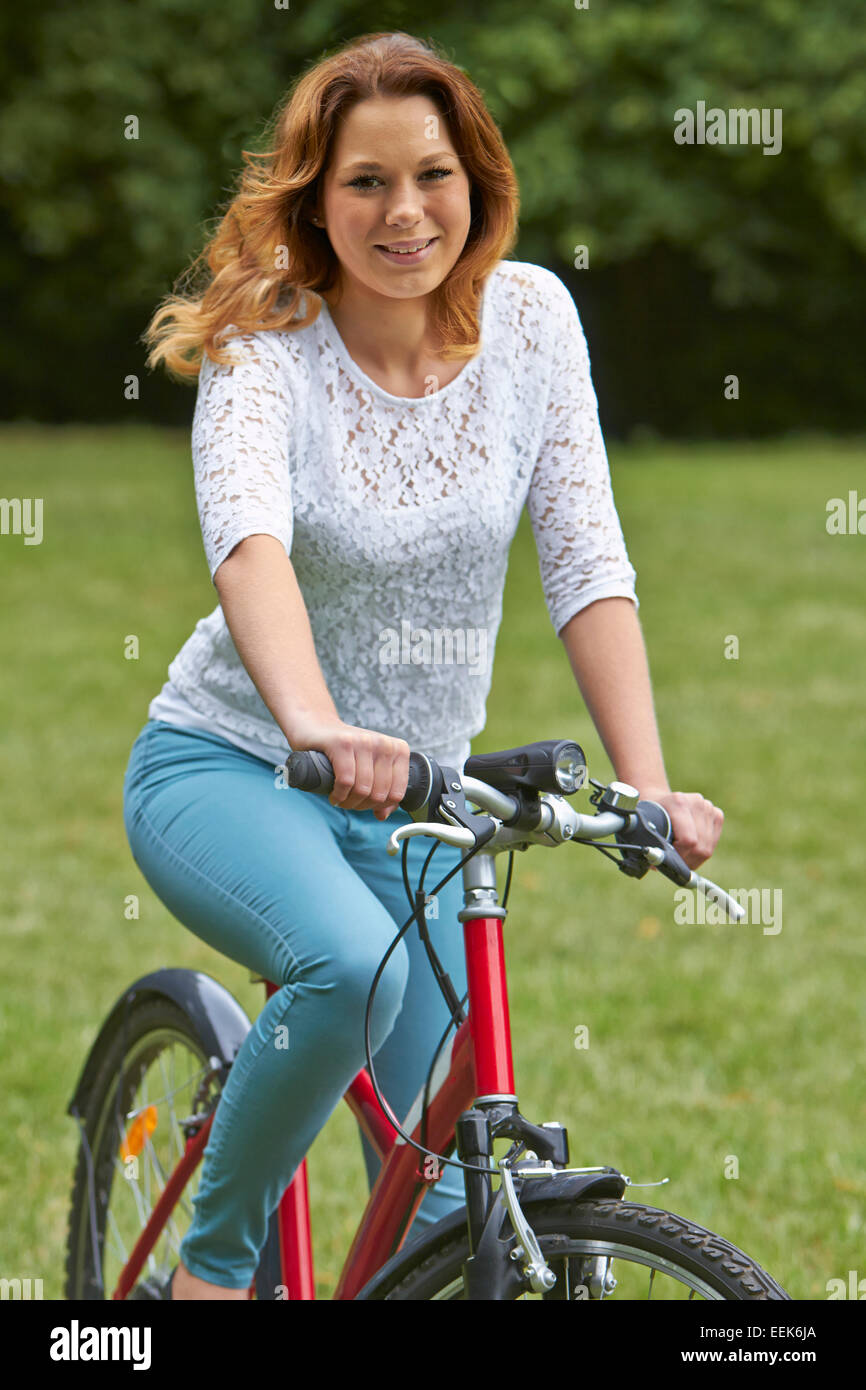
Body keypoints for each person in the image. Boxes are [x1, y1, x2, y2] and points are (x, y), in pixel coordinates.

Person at [126, 30, 724, 1300]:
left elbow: (587, 560)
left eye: (433, 175)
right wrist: (315, 725)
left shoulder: (531, 321)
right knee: (345, 966)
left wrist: (648, 782)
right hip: (232, 764)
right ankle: (214, 1276)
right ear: (314, 198)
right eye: (364, 183)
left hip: (421, 811)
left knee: (454, 1175)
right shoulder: (262, 351)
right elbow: (250, 550)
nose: (405, 212)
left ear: (478, 181)